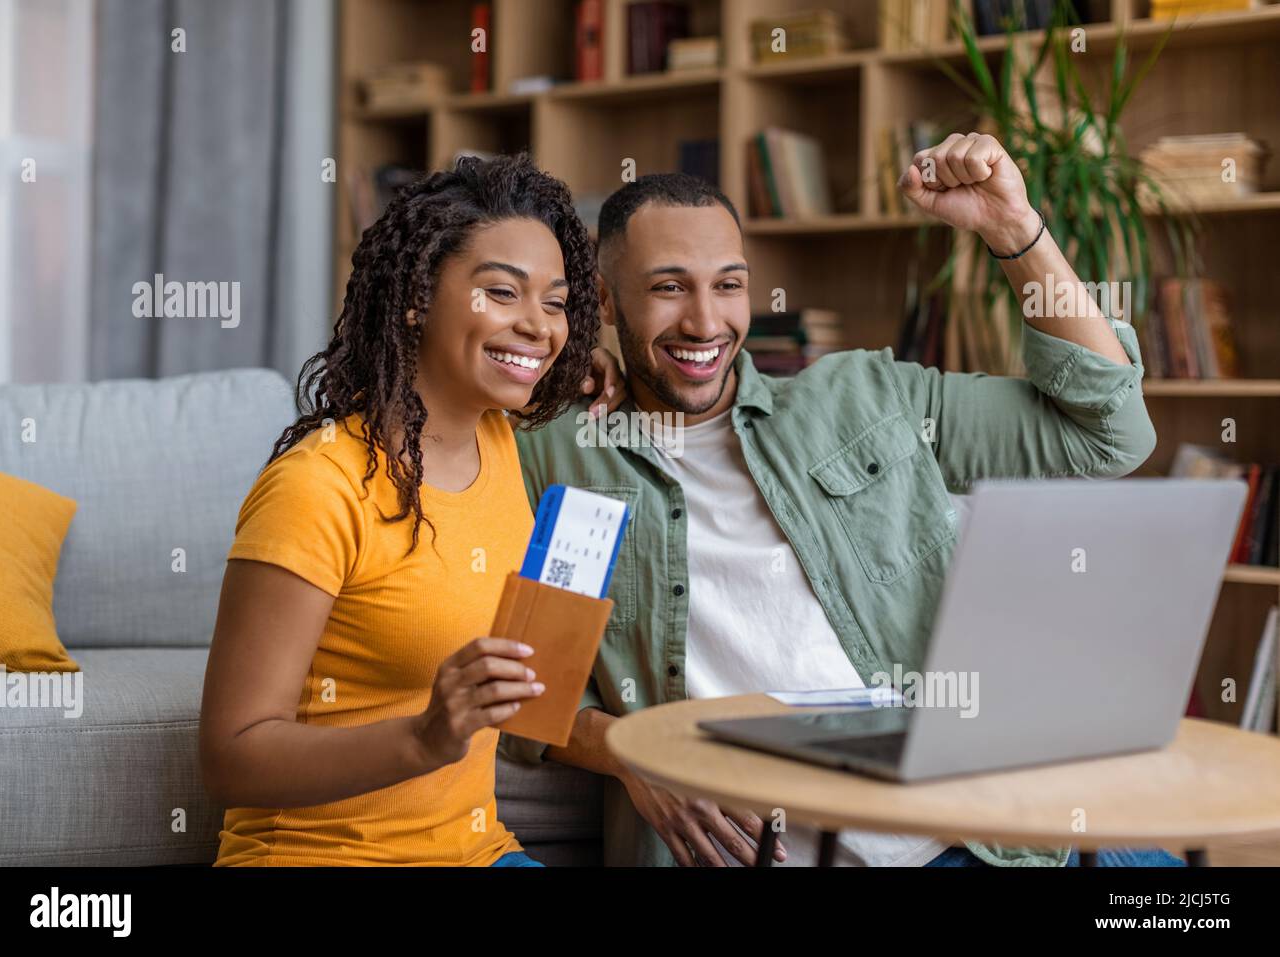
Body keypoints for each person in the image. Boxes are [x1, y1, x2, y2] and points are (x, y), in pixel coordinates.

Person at [501, 133, 1182, 867]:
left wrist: (1014, 230)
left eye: (728, 284)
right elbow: (531, 697)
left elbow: (1109, 434)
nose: (705, 322)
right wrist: (635, 756)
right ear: (603, 298)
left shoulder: (866, 397)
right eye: (668, 287)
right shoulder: (560, 454)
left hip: (988, 830)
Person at [199, 153, 623, 866]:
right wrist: (424, 737)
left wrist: (602, 365)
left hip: (478, 851)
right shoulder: (318, 486)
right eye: (502, 293)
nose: (539, 325)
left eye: (555, 304)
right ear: (416, 296)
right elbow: (228, 755)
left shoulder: (499, 436)